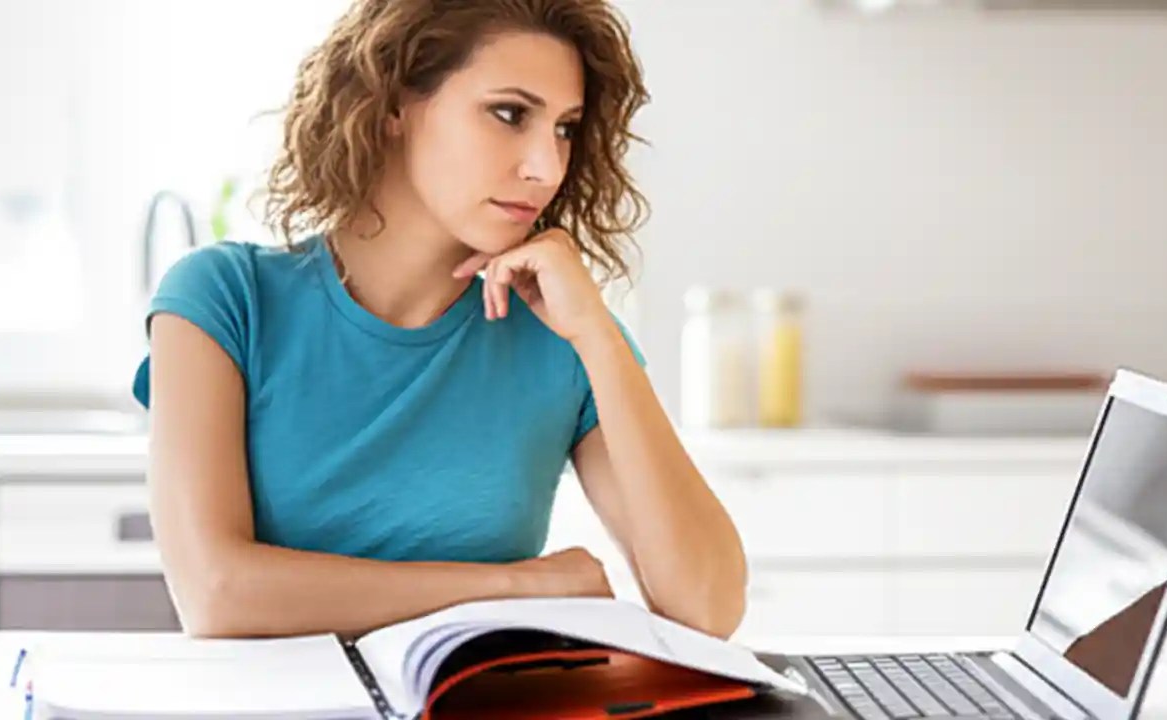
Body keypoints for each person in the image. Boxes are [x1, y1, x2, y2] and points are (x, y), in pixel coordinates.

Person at [133, 0, 747, 641]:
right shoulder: (228, 299)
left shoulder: (564, 340)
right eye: (509, 114)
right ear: (395, 102)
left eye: (565, 128)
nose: (546, 166)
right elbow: (216, 594)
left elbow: (707, 608)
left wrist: (598, 334)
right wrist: (519, 587)